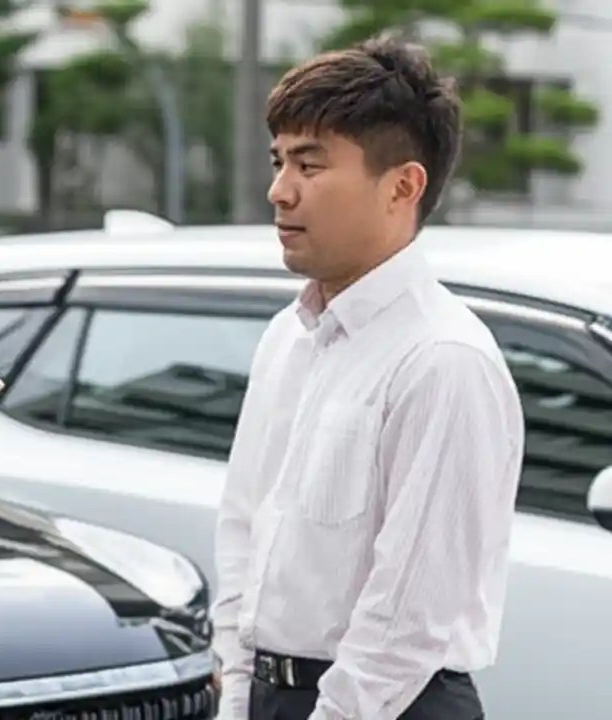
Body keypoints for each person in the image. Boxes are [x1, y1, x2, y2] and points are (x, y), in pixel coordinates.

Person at [210, 36, 525, 720]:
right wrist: (237, 697)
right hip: (272, 696)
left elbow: (409, 616)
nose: (279, 189)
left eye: (309, 164)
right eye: (278, 160)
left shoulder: (443, 359)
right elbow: (242, 531)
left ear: (403, 186)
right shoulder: (288, 336)